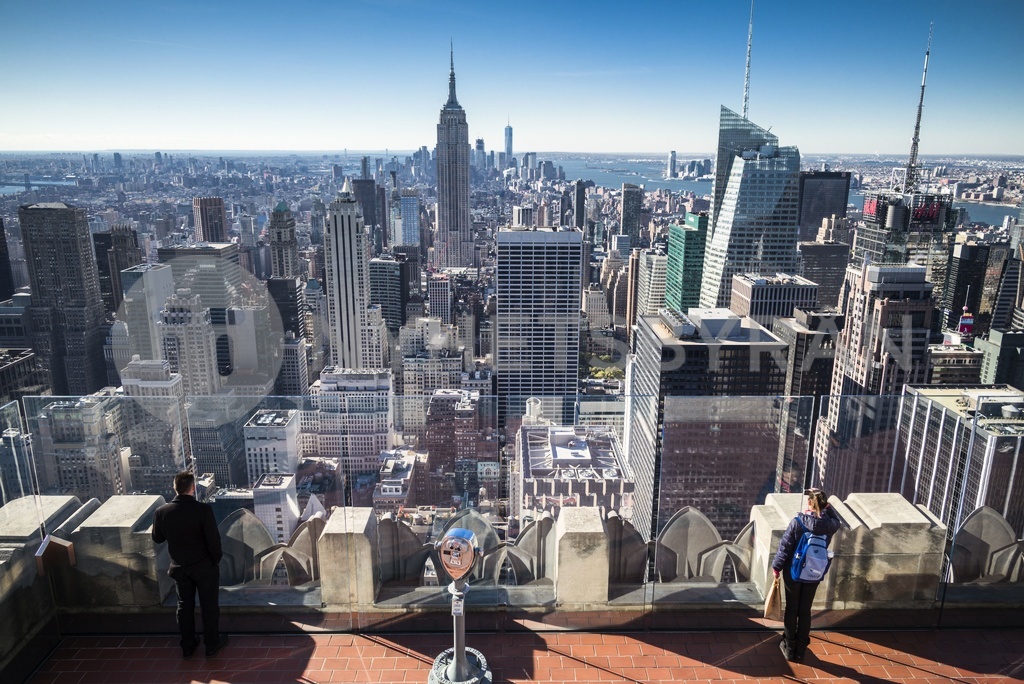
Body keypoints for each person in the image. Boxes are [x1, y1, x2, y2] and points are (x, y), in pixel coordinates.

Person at [152, 471, 229, 658]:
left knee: (184, 606)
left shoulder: (161, 512)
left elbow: (158, 538)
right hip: (204, 567)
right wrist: (214, 561)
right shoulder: (203, 510)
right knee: (209, 605)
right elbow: (214, 541)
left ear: (175, 488)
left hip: (179, 567)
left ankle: (187, 645)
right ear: (193, 488)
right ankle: (211, 644)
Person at [771, 487, 841, 662]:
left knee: (792, 609)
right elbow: (836, 520)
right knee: (804, 611)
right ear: (824, 506)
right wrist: (827, 505)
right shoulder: (829, 525)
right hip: (814, 572)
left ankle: (789, 647)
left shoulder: (798, 521)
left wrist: (776, 567)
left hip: (793, 571)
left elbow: (785, 547)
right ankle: (801, 650)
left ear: (809, 503)